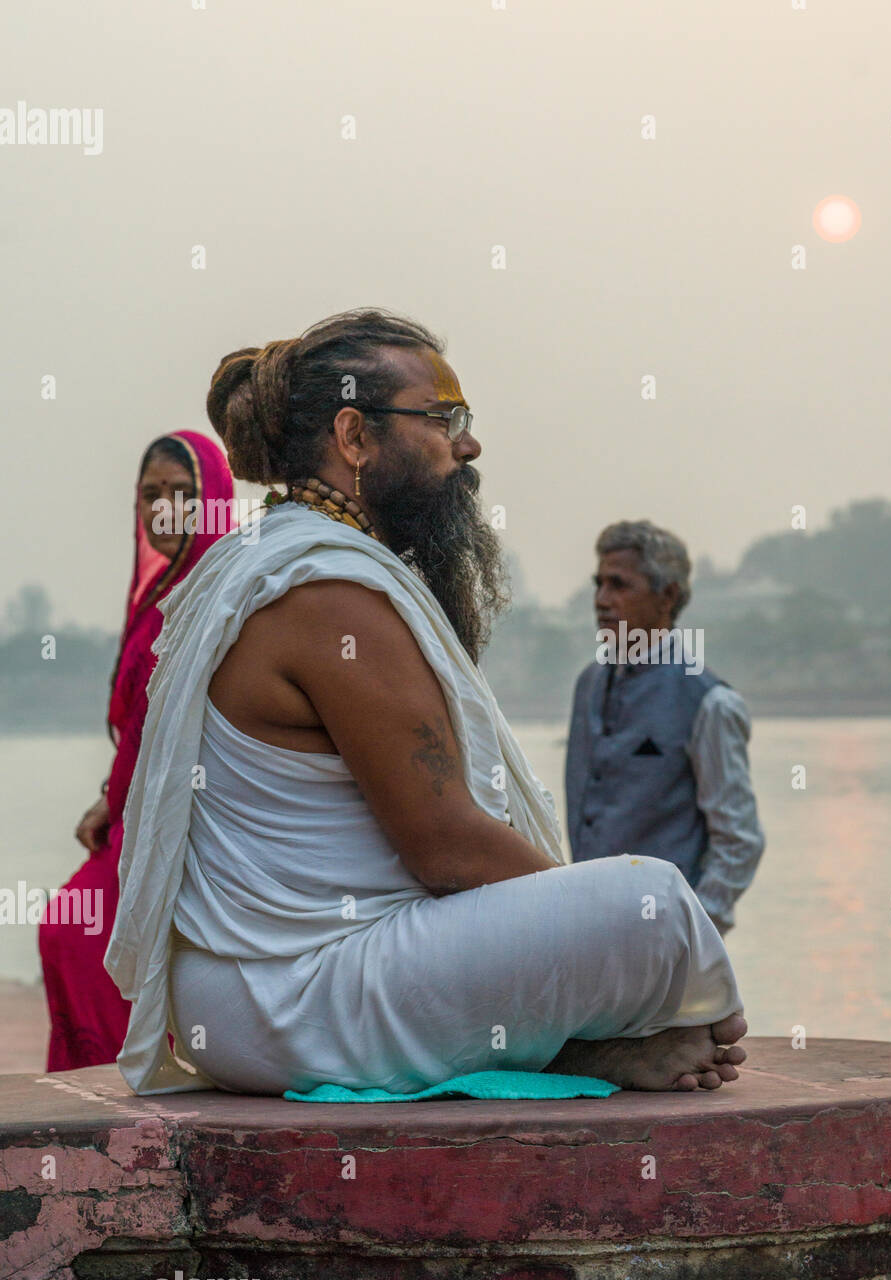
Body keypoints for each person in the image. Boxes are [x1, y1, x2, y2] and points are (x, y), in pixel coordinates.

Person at [104, 309, 747, 1098]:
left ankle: (568, 1047)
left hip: (256, 999)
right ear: (355, 436)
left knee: (623, 909)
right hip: (293, 998)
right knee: (651, 905)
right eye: (445, 420)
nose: (468, 445)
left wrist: (567, 938)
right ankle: (595, 1037)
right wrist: (588, 941)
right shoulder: (329, 593)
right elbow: (446, 848)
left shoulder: (281, 559)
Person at [39, 431, 236, 1071]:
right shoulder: (160, 599)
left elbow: (156, 730)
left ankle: (117, 1078)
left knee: (75, 929)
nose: (163, 509)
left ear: (213, 503)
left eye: (182, 494)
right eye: (150, 495)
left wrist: (109, 803)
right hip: (139, 811)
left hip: (179, 816)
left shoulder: (206, 601)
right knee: (72, 930)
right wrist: (111, 801)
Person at [565, 522, 764, 935]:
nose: (602, 600)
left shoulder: (708, 701)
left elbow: (739, 839)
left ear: (667, 596)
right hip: (586, 935)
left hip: (663, 943)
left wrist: (694, 933)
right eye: (598, 584)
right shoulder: (588, 684)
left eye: (619, 585)